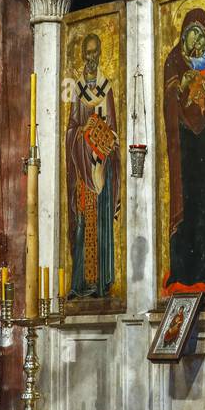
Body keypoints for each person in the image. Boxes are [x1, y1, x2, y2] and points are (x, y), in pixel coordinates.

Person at [163, 8, 205, 292]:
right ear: (184, 34)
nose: (195, 40)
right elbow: (169, 98)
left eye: (199, 34)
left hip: (204, 139)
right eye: (191, 34)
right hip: (183, 143)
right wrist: (181, 88)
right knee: (186, 201)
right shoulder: (173, 60)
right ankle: (183, 269)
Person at [66, 34, 120, 299]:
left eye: (95, 52)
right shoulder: (78, 90)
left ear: (100, 54)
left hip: (100, 168)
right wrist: (81, 132)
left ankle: (100, 283)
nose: (90, 57)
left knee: (100, 224)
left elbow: (113, 131)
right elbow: (71, 130)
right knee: (82, 224)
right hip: (82, 168)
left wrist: (101, 137)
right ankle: (81, 284)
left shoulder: (106, 88)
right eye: (86, 53)